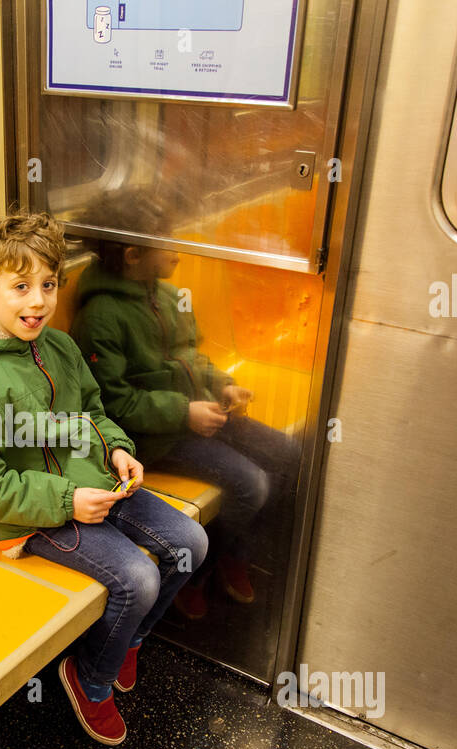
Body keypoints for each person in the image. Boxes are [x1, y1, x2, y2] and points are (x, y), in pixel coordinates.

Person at [0, 209, 208, 746]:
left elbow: (93, 411)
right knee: (138, 578)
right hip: (31, 514)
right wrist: (67, 500)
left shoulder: (57, 346)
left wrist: (118, 452)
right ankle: (90, 678)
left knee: (189, 543)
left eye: (48, 284)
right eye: (20, 287)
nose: (38, 301)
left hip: (96, 486)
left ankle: (128, 638)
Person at [70, 189, 298, 620]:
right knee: (252, 484)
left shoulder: (169, 297)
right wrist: (183, 412)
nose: (179, 245)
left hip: (198, 415)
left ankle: (234, 551)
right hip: (154, 437)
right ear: (134, 255)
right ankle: (199, 574)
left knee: (290, 455)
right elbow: (112, 403)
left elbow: (191, 354)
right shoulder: (101, 316)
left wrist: (223, 385)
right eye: (167, 240)